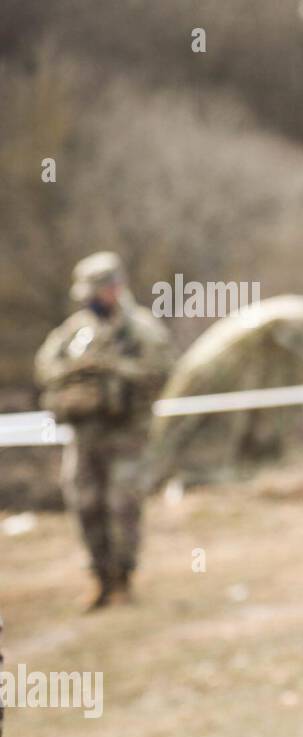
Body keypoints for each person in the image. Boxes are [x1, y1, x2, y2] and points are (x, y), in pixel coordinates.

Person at [35, 252, 172, 610]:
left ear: (114, 288)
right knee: (85, 504)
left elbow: (159, 372)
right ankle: (101, 578)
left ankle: (123, 578)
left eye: (96, 291)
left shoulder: (140, 329)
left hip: (125, 433)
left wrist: (113, 368)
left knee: (122, 504)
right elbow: (46, 366)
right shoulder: (75, 330)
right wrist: (76, 371)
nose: (90, 299)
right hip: (84, 434)